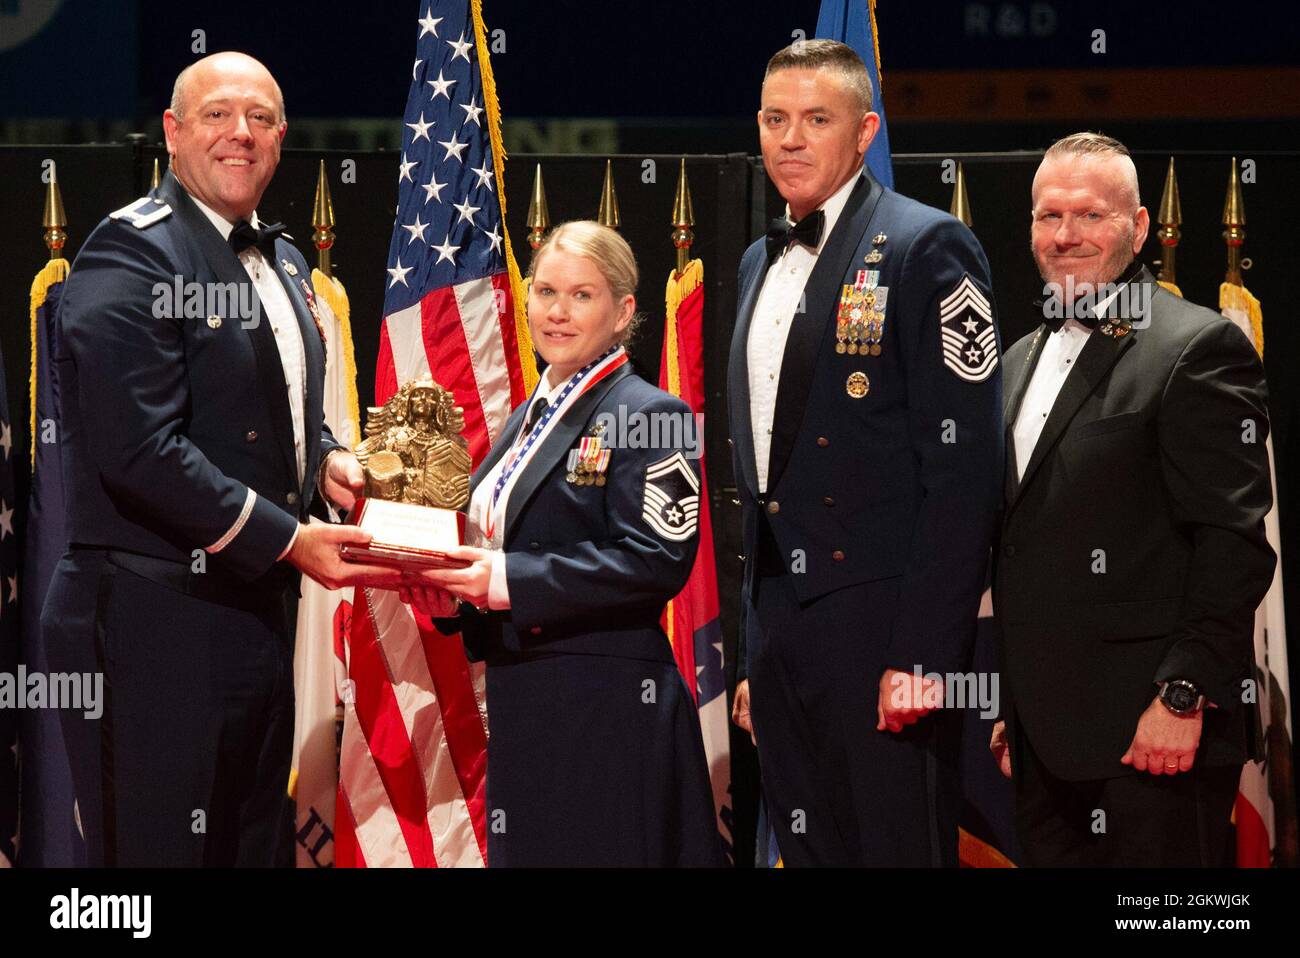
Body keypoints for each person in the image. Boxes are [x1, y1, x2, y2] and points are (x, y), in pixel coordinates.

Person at [42, 52, 398, 867]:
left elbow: (272, 423)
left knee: (248, 848)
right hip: (148, 623)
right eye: (217, 115)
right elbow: (141, 451)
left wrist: (327, 471)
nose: (241, 134)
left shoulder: (286, 264)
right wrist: (293, 539)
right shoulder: (129, 255)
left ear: (281, 139)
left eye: (261, 118)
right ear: (172, 133)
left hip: (253, 618)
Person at [727, 39, 1003, 866]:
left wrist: (923, 656)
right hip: (782, 631)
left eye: (817, 119)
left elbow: (963, 475)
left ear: (864, 133)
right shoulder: (753, 261)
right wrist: (755, 652)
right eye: (776, 119)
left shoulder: (929, 246)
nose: (792, 139)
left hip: (884, 627)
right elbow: (761, 477)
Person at [989, 132, 1274, 867]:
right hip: (1044, 741)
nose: (1065, 235)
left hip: (1156, 737)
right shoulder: (1018, 359)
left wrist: (1182, 697)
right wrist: (1017, 704)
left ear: (1139, 226)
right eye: (1049, 216)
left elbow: (1233, 543)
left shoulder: (1196, 347)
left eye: (1089, 215)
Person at [400, 221, 722, 867]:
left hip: (607, 706)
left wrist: (501, 581)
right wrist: (450, 597)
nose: (557, 311)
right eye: (545, 291)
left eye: (582, 295)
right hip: (531, 698)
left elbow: (655, 561)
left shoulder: (650, 413)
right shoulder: (529, 417)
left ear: (624, 310)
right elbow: (500, 544)